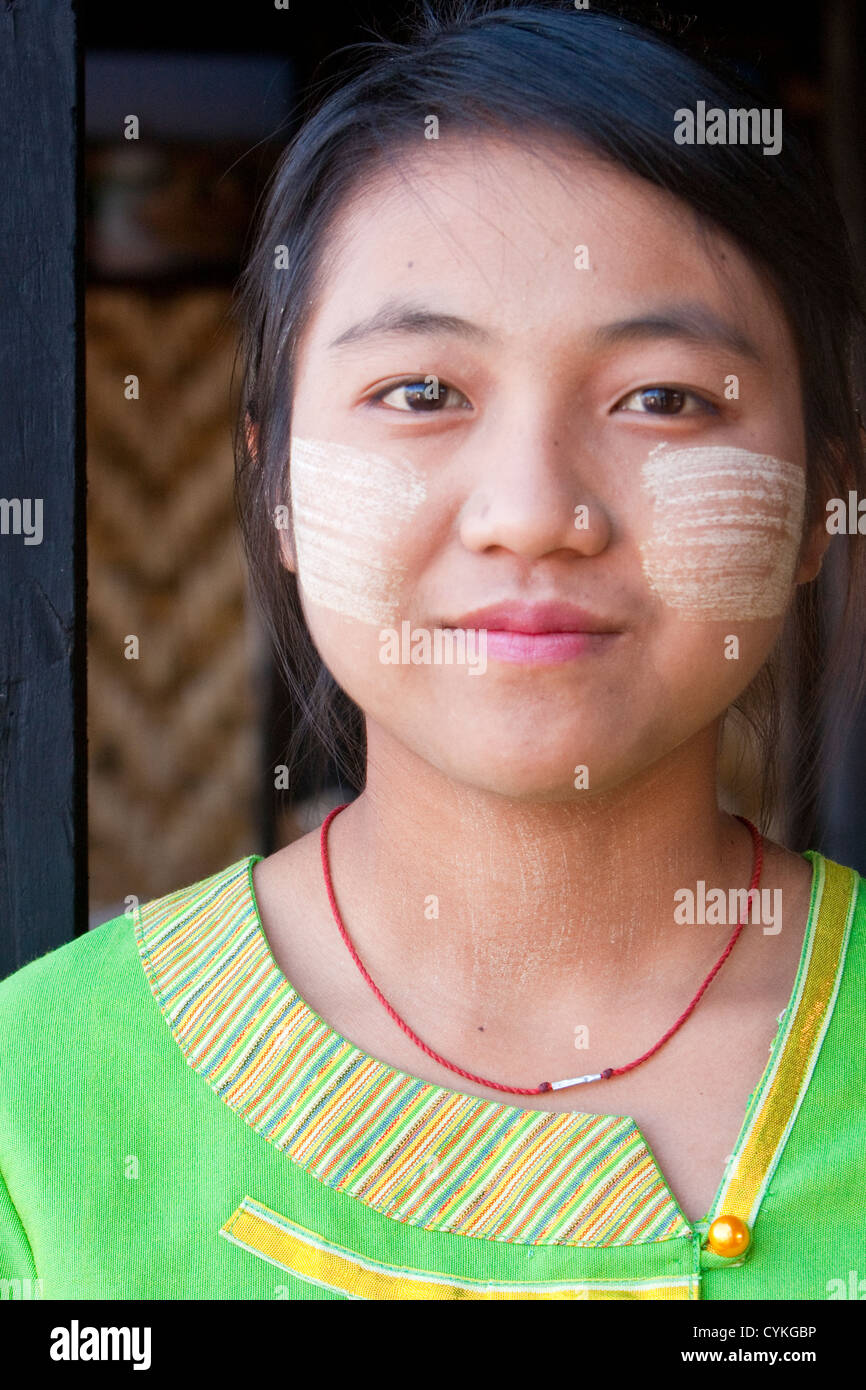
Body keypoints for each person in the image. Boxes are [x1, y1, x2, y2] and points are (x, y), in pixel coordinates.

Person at [2, 0, 865, 1302]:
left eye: (663, 398)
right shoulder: (36, 1101)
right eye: (421, 392)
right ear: (277, 488)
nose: (530, 510)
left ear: (816, 506)